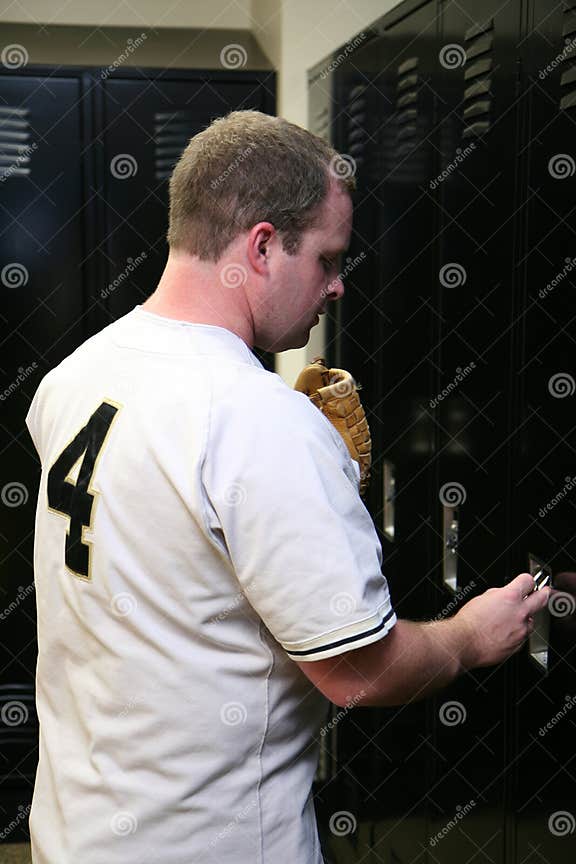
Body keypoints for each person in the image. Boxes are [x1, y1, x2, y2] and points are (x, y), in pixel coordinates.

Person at [25, 109, 550, 864]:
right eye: (330, 260)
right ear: (263, 246)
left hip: (77, 832)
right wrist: (469, 636)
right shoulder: (262, 423)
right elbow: (357, 676)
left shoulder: (77, 374)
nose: (337, 287)